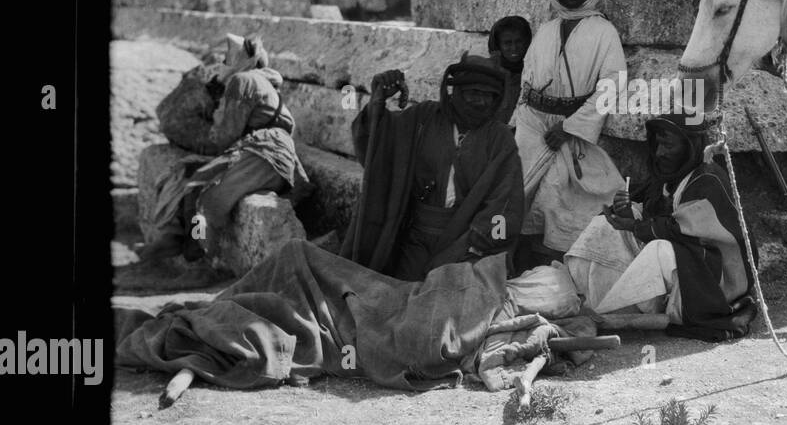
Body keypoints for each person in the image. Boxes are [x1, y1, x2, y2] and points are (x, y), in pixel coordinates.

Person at [564, 111, 757, 341]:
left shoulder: (708, 180)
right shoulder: (671, 176)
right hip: (686, 263)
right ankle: (590, 298)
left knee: (660, 251)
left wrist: (635, 226)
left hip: (717, 279)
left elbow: (679, 229)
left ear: (690, 147)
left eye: (668, 145)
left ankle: (602, 313)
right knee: (604, 225)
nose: (659, 153)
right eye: (657, 144)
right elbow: (653, 215)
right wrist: (627, 214)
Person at [340, 53, 524, 281]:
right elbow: (377, 146)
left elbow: (506, 205)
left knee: (455, 294)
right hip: (415, 238)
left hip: (467, 241)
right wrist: (377, 102)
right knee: (397, 292)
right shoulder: (423, 118)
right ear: (454, 91)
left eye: (490, 96)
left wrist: (474, 244)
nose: (481, 101)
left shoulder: (500, 139)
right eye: (474, 93)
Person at [141, 34, 308, 262]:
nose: (223, 63)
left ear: (243, 60)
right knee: (190, 178)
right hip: (258, 153)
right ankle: (181, 246)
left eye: (229, 58)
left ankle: (202, 259)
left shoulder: (243, 81)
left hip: (265, 156)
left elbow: (224, 137)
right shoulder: (256, 80)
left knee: (209, 199)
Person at [514, 0, 627, 268]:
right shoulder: (547, 30)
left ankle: (557, 268)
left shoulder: (604, 32)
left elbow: (612, 84)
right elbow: (528, 79)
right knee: (518, 196)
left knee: (561, 200)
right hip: (532, 127)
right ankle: (519, 267)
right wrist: (519, 119)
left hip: (569, 128)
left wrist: (569, 128)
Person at [486, 15, 532, 125]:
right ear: (498, 45)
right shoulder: (487, 72)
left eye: (519, 41)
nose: (514, 48)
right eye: (507, 43)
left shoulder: (534, 71)